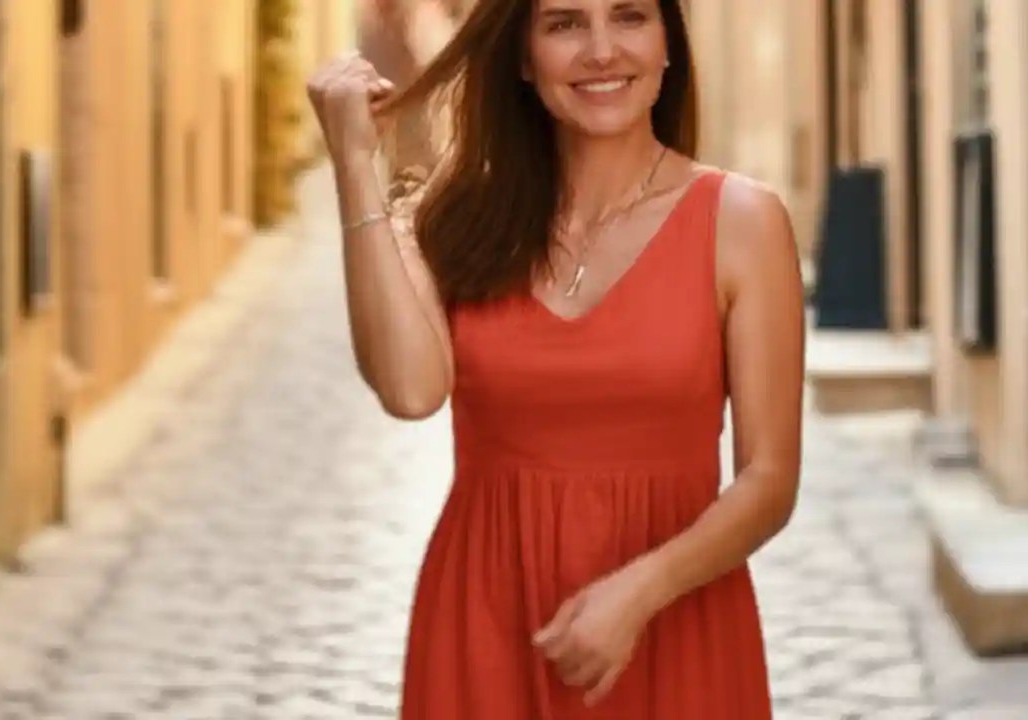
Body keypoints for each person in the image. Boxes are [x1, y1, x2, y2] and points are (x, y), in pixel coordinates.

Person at [306, 0, 804, 716]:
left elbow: (769, 481)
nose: (601, 50)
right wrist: (355, 165)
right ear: (522, 56)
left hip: (677, 624)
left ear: (668, 43)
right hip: (487, 628)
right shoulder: (453, 221)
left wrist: (640, 592)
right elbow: (411, 392)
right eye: (565, 23)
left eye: (629, 17)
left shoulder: (742, 222)